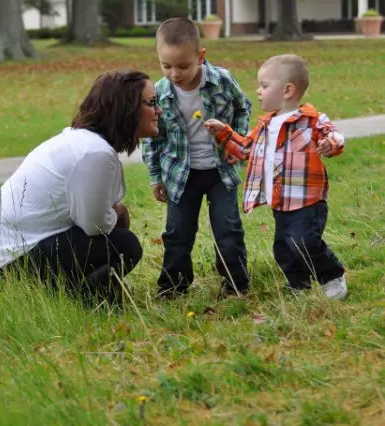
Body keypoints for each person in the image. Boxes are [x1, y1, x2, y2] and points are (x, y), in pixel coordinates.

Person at [0, 70, 162, 304]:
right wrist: (119, 212)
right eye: (152, 103)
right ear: (127, 107)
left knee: (118, 229)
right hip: (2, 268)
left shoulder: (79, 141)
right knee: (126, 245)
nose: (159, 110)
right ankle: (82, 297)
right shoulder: (94, 153)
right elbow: (94, 226)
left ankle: (87, 291)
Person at [205, 54, 347, 300]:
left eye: (264, 85)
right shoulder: (264, 125)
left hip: (307, 201)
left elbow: (335, 136)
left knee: (303, 241)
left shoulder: (311, 119)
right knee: (283, 247)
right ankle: (298, 285)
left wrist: (328, 143)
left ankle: (332, 275)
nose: (258, 91)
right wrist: (224, 133)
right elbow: (245, 149)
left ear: (287, 90)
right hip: (280, 201)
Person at [142, 17, 251, 299]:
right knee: (177, 232)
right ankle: (173, 286)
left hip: (220, 170)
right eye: (166, 66)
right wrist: (155, 177)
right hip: (181, 174)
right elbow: (152, 137)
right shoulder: (161, 92)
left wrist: (234, 140)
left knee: (228, 229)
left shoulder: (221, 81)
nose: (175, 74)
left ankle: (235, 284)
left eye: (183, 66)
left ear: (200, 57)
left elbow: (243, 108)